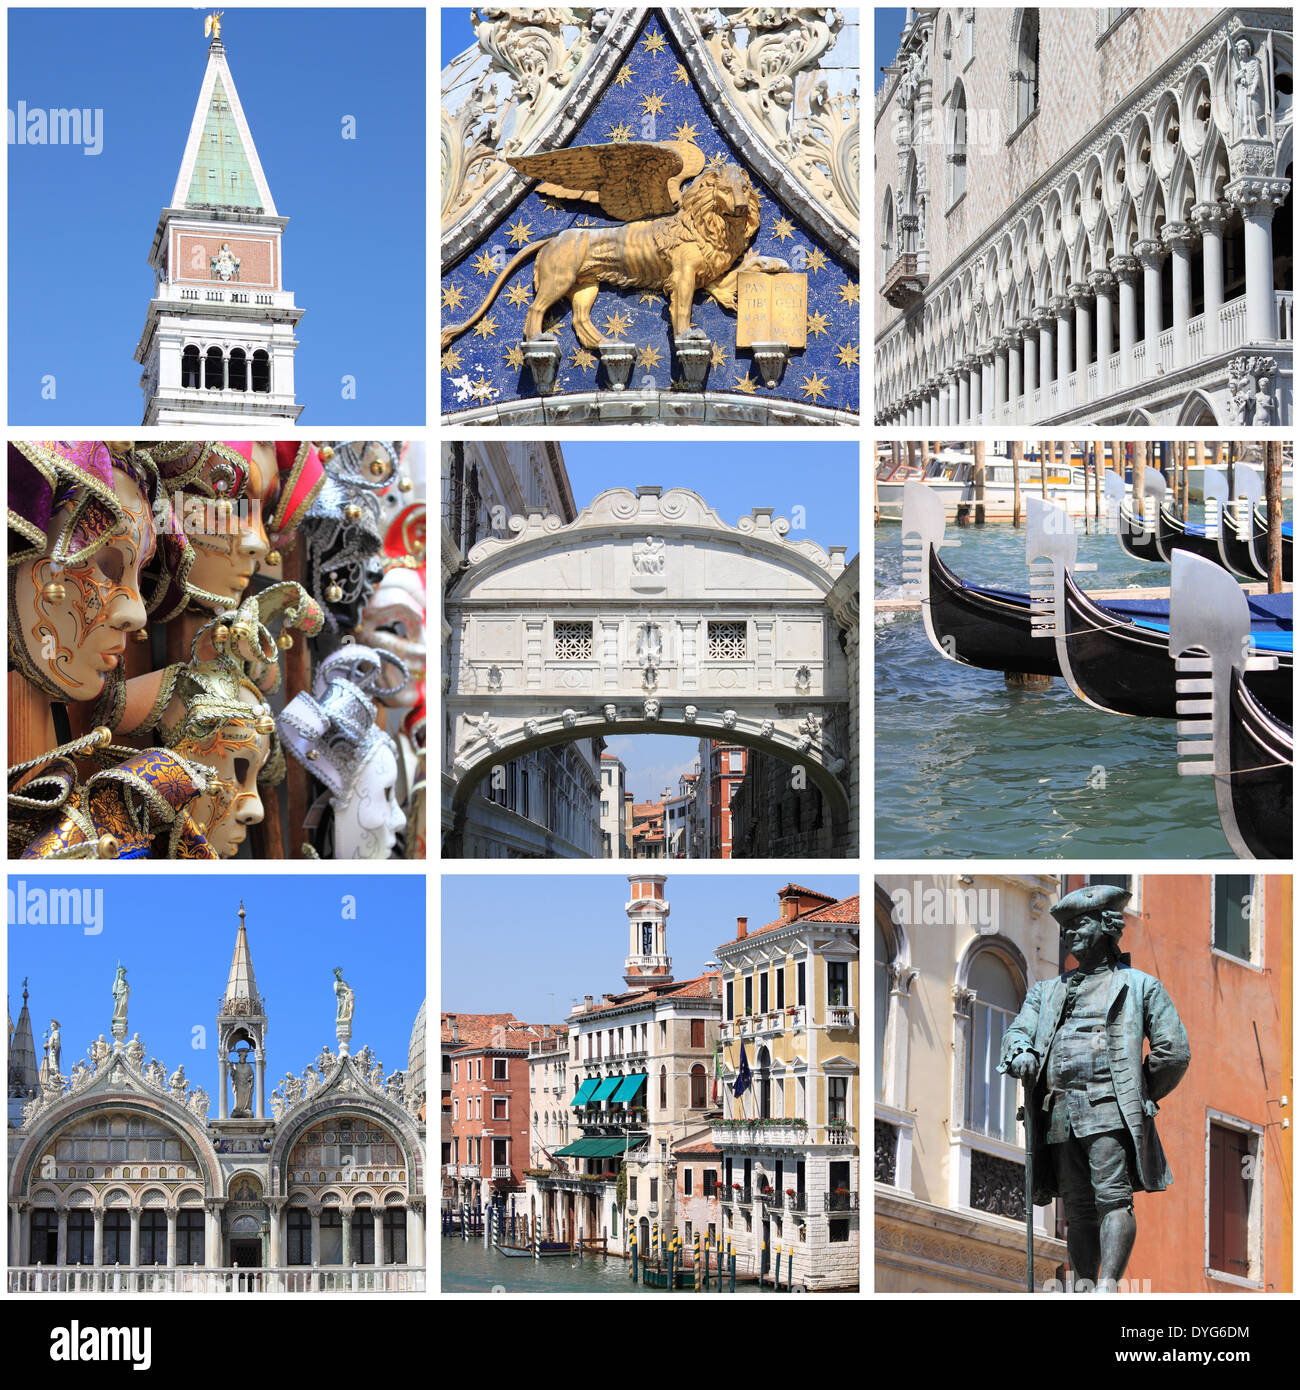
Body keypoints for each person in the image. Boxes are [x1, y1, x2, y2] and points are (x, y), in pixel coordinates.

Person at [998, 883, 1190, 1292]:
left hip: (1109, 1106)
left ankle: (1106, 1287)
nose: (1069, 935)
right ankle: (1084, 1287)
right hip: (1060, 1110)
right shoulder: (1047, 992)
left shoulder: (1140, 986)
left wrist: (1136, 1092)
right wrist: (1021, 1054)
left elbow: (1173, 1053)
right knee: (1078, 1205)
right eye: (1065, 929)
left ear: (1107, 926)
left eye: (1079, 924)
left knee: (1112, 1197)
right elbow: (1017, 1032)